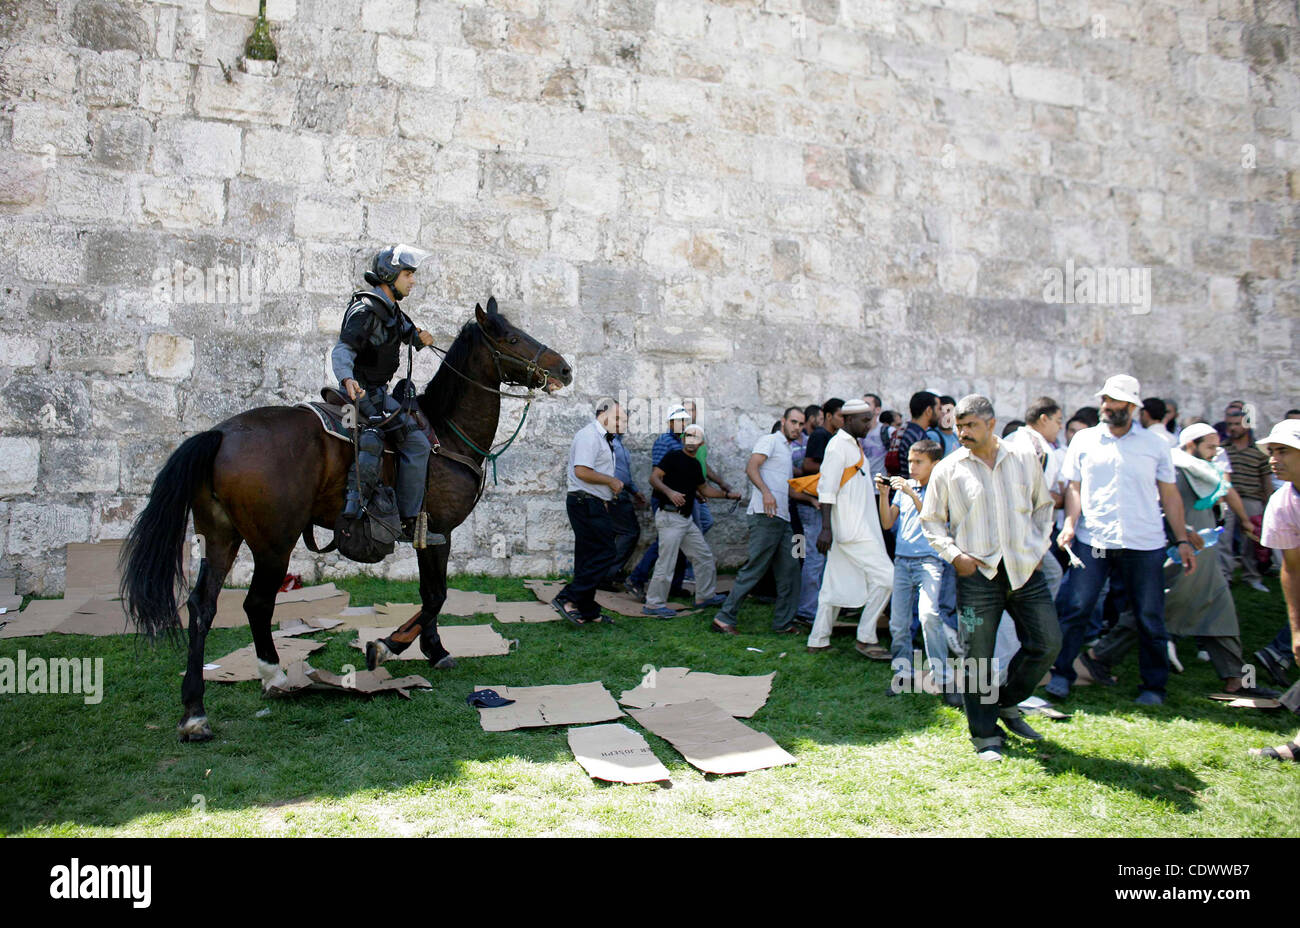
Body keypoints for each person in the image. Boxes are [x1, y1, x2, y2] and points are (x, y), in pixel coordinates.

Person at [1081, 423, 1277, 699]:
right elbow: (1158, 507)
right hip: (1180, 557)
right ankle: (1098, 658)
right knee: (1150, 613)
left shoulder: (1203, 472)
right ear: (1190, 445)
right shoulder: (1174, 469)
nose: (1214, 452)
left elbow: (1225, 491)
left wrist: (1244, 521)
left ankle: (1237, 680)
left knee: (1223, 612)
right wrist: (1181, 534)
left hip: (1205, 560)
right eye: (1209, 446)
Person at [920, 394, 1060, 761]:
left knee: (1047, 642)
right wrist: (955, 556)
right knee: (976, 658)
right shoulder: (949, 468)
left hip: (1025, 570)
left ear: (991, 423)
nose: (963, 432)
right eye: (959, 426)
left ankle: (1006, 702)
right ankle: (984, 735)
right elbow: (931, 520)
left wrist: (1038, 548)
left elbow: (1043, 507)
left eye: (970, 426)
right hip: (977, 574)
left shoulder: (1024, 458)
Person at [1047, 374, 1197, 705]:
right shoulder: (1084, 440)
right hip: (1094, 539)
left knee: (1149, 615)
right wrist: (1070, 523)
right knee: (1076, 607)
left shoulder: (1156, 445)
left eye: (1113, 401)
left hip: (1144, 543)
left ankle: (1153, 686)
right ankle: (1060, 675)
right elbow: (1074, 486)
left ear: (1131, 407)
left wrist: (1183, 539)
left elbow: (1169, 496)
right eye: (1104, 400)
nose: (1105, 406)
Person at [330, 244, 439, 543]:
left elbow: (406, 332)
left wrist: (420, 338)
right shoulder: (365, 309)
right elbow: (343, 349)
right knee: (417, 444)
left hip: (380, 392)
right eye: (408, 274)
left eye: (412, 274)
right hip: (361, 395)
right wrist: (347, 378)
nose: (412, 281)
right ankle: (405, 522)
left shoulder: (392, 310)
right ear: (390, 276)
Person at [806, 399, 893, 658]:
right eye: (865, 420)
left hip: (854, 528)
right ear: (848, 420)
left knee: (833, 585)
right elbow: (826, 490)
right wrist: (825, 529)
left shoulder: (853, 445)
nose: (870, 424)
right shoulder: (837, 447)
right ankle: (865, 637)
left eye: (870, 419)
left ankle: (818, 639)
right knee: (889, 578)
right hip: (850, 530)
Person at [878, 440, 960, 705]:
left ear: (934, 464)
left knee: (929, 616)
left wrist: (912, 494)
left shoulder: (942, 487)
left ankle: (944, 679)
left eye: (918, 462)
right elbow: (888, 522)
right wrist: (883, 494)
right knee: (897, 623)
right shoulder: (905, 487)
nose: (912, 467)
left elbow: (934, 518)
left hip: (930, 562)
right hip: (902, 560)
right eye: (910, 461)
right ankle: (903, 674)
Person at [712, 407, 806, 635]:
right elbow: (751, 467)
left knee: (792, 569)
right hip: (765, 517)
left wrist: (813, 500)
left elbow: (788, 490)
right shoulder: (770, 440)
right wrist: (765, 492)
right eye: (793, 422)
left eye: (801, 424)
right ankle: (723, 618)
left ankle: (783, 623)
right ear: (783, 421)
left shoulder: (787, 450)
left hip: (783, 520)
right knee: (755, 568)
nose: (797, 427)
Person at [642, 424, 740, 617]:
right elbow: (654, 478)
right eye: (688, 435)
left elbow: (704, 490)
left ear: (701, 443)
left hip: (685, 520)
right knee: (666, 562)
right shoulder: (672, 457)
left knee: (704, 556)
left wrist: (727, 495)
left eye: (695, 437)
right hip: (669, 517)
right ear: (683, 438)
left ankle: (705, 596)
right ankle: (653, 604)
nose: (691, 439)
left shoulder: (695, 465)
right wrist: (670, 492)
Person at [1248, 421, 1300, 761]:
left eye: (1283, 451)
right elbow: (1292, 569)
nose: (1273, 459)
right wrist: (1296, 630)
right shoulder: (1282, 502)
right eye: (1271, 452)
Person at [553, 401, 624, 625]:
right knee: (606, 553)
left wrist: (603, 497)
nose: (622, 425)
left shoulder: (602, 439)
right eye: (618, 418)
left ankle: (587, 609)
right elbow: (581, 471)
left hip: (591, 502)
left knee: (588, 558)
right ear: (603, 414)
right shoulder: (589, 435)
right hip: (584, 503)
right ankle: (568, 598)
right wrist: (611, 481)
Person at [795, 398, 845, 624]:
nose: (843, 420)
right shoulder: (820, 436)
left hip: (823, 505)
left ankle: (817, 606)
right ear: (828, 415)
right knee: (814, 559)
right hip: (812, 504)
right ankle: (806, 610)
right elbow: (808, 466)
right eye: (840, 416)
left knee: (821, 559)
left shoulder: (835, 438)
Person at [1219, 403, 1272, 593]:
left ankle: (1252, 576)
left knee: (1252, 541)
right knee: (1223, 539)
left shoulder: (1259, 451)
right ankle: (1225, 576)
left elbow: (1266, 479)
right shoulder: (1222, 449)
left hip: (1252, 499)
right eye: (1229, 424)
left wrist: (1268, 503)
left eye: (1236, 424)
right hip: (1227, 499)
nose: (1232, 428)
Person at [601, 404, 647, 589]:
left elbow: (623, 472)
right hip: (613, 495)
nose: (623, 424)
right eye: (619, 419)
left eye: (625, 420)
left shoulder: (618, 441)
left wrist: (635, 491)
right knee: (630, 532)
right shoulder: (606, 440)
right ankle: (608, 575)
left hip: (622, 493)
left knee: (615, 535)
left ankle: (606, 574)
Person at [886, 391, 939, 479]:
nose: (940, 414)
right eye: (938, 409)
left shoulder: (902, 431)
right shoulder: (918, 437)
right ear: (929, 411)